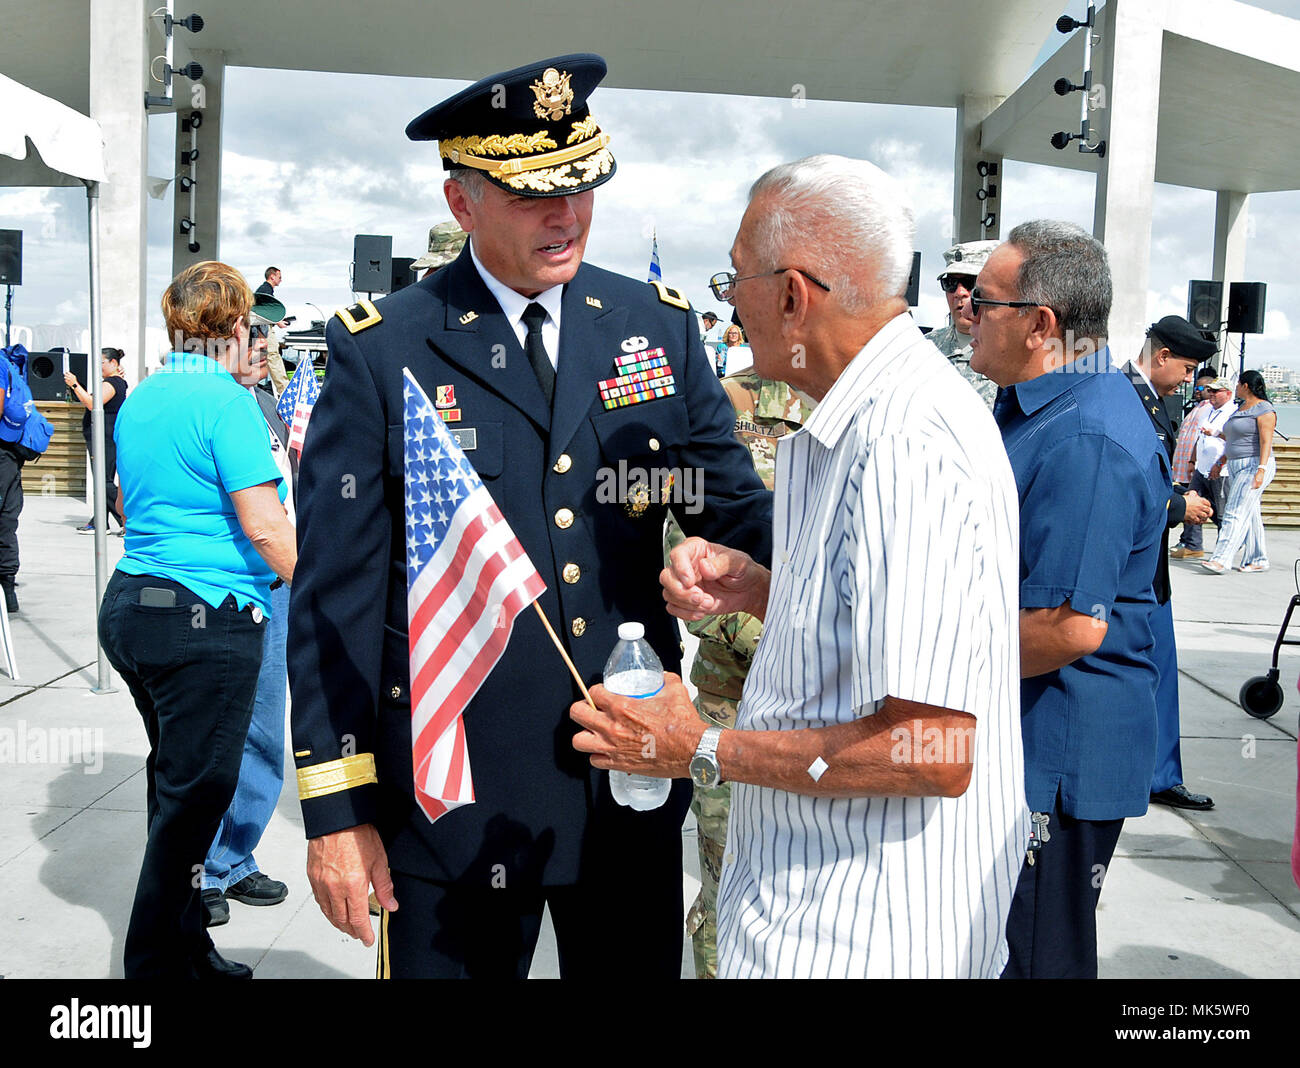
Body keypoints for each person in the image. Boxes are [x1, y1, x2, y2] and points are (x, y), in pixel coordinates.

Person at [287, 53, 772, 979]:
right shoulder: (384, 349)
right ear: (462, 202)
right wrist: (338, 814)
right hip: (452, 796)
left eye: (583, 186)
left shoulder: (652, 326)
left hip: (626, 780)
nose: (568, 215)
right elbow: (332, 607)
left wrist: (850, 561)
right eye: (532, 195)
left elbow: (735, 503)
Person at [575, 154, 1028, 979]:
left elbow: (932, 747)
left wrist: (700, 744)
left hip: (862, 939)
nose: (729, 305)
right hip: (814, 917)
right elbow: (893, 626)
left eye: (734, 282)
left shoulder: (903, 445)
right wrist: (766, 586)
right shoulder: (863, 419)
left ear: (792, 294)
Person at [968, 220, 1168, 979]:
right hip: (1026, 740)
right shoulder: (1041, 409)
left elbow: (1071, 626)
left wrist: (926, 659)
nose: (967, 316)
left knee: (1034, 960)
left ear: (1040, 325)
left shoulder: (1085, 434)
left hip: (1052, 758)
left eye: (983, 302)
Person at [100, 260, 296, 979]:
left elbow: (124, 503)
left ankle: (187, 946)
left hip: (133, 605)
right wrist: (337, 597)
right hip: (203, 621)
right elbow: (268, 528)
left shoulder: (148, 396)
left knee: (175, 788)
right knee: (193, 808)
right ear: (237, 326)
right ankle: (157, 965)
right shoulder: (226, 402)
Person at [664, 368, 812, 978]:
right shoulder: (728, 404)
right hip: (735, 700)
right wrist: (787, 634)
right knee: (730, 883)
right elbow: (687, 554)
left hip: (843, 711)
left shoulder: (870, 412)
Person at [201, 351, 297, 928]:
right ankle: (202, 872)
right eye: (250, 332)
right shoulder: (200, 405)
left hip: (273, 587)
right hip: (224, 592)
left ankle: (235, 858)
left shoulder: (265, 406)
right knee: (216, 735)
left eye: (267, 335)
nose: (265, 347)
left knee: (263, 732)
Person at [1123, 316, 1217, 812]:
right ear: (1161, 356)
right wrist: (1179, 508)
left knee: (1161, 675)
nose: (1189, 379)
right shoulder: (1124, 401)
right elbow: (1123, 485)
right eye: (1185, 368)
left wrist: (1176, 495)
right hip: (1128, 576)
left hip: (1152, 575)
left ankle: (1160, 774)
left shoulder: (1155, 404)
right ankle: (1141, 773)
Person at [1203, 369, 1277, 574]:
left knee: (1234, 511)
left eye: (1237, 384)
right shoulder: (1241, 408)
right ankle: (1258, 558)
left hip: (1254, 465)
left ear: (1246, 386)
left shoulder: (1264, 409)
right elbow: (1234, 439)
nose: (1235, 388)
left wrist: (1261, 470)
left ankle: (1221, 559)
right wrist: (1221, 461)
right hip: (1236, 464)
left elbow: (1265, 441)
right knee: (1251, 512)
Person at [926, 240, 1000, 407]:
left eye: (969, 282)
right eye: (950, 284)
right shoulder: (925, 348)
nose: (959, 293)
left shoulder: (1011, 350)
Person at [65, 347, 129, 535]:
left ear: (113, 363)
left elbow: (93, 404)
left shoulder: (113, 382)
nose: (98, 367)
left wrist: (75, 384)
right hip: (103, 437)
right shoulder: (113, 381)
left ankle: (126, 520)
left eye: (101, 363)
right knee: (103, 479)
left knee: (104, 481)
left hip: (105, 439)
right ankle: (99, 522)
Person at [1174, 376, 1234, 559]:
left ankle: (1225, 549)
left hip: (1220, 470)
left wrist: (1219, 463)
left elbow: (1234, 443)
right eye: (1211, 391)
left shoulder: (1232, 413)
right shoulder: (1209, 410)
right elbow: (1200, 438)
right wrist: (1193, 461)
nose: (1212, 394)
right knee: (1193, 502)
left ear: (1228, 393)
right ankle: (1193, 544)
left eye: (1216, 391)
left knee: (1221, 512)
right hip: (1201, 468)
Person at [0, 343, 30, 613]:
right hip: (10, 452)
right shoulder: (9, 365)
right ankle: (8, 588)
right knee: (7, 518)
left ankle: (7, 589)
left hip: (2, 453)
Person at [256, 267, 291, 396]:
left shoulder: (264, 290)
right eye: (279, 277)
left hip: (261, 327)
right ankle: (284, 390)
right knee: (273, 356)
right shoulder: (265, 290)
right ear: (272, 276)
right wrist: (278, 321)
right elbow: (264, 311)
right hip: (264, 328)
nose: (281, 280)